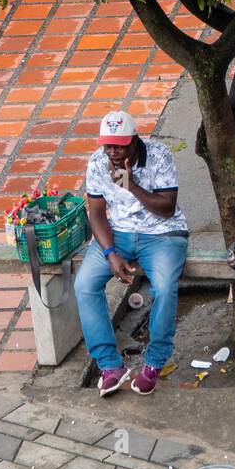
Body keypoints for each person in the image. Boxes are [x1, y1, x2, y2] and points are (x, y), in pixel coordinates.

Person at [75, 109, 188, 396]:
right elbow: (97, 214)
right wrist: (110, 252)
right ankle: (110, 365)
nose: (113, 151)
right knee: (85, 284)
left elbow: (167, 207)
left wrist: (130, 184)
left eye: (120, 145)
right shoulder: (98, 162)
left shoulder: (159, 155)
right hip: (119, 234)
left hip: (163, 234)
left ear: (134, 140)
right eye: (108, 145)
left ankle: (154, 363)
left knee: (163, 288)